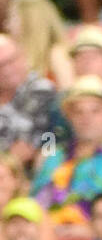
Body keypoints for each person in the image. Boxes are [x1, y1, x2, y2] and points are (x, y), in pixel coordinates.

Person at [32, 76, 102, 226]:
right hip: (51, 237)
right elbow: (37, 203)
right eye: (79, 112)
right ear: (70, 117)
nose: (86, 118)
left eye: (95, 111)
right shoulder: (54, 156)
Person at [0, 32, 56, 170]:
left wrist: (44, 154)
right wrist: (9, 158)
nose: (6, 70)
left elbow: (52, 134)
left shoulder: (43, 91)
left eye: (11, 61)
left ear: (22, 57)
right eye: (0, 65)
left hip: (33, 174)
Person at [9, 0, 73, 90]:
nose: (7, 23)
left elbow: (68, 92)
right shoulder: (12, 53)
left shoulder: (56, 53)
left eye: (13, 17)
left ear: (29, 21)